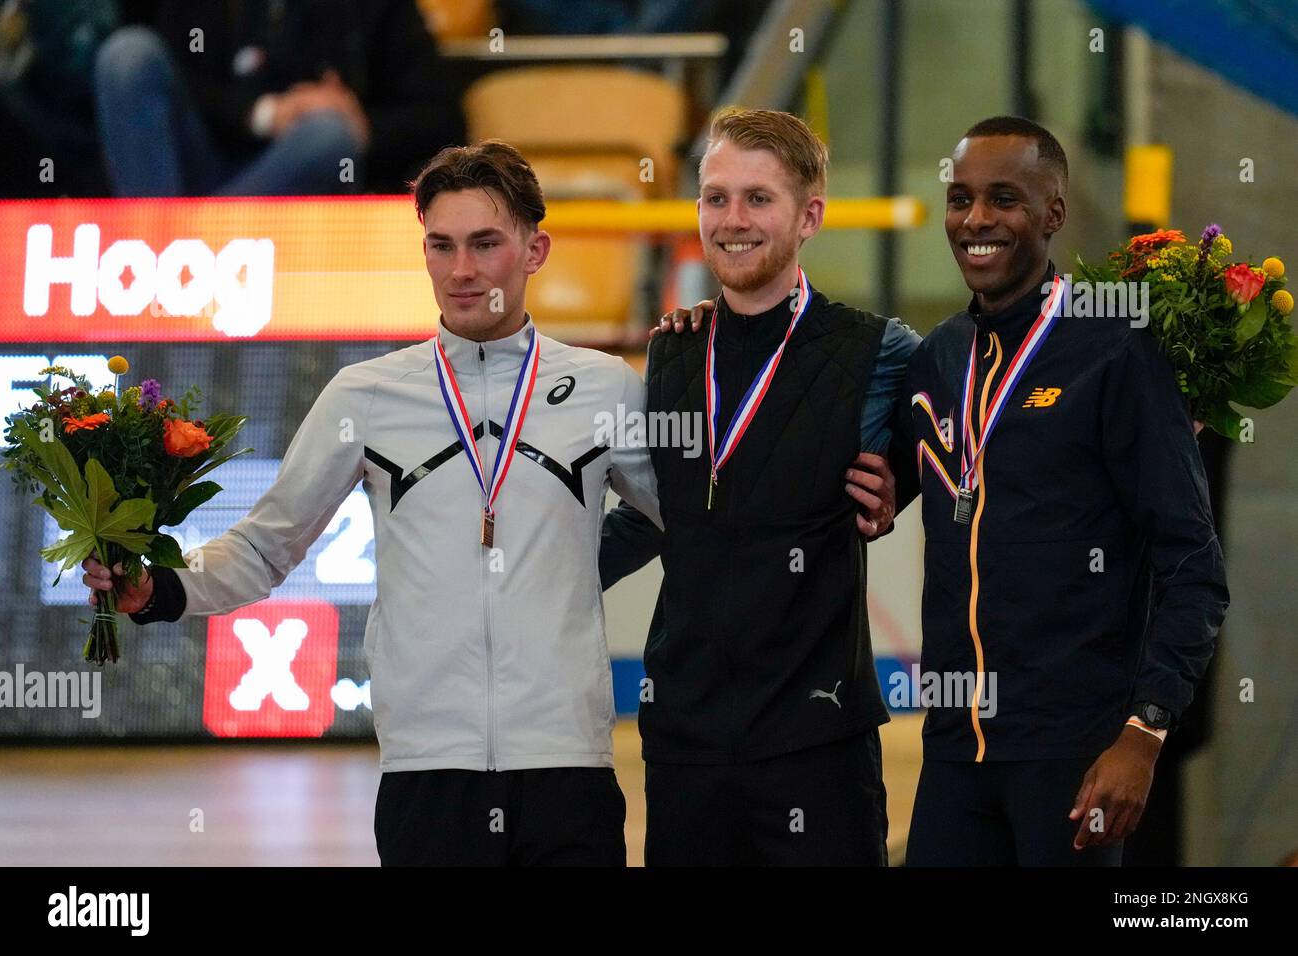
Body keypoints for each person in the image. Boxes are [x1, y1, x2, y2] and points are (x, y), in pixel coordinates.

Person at [82, 140, 662, 866]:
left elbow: (702, 516)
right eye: (441, 246)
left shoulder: (607, 389)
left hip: (568, 764)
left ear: (535, 248)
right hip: (425, 768)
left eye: (486, 243)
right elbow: (265, 546)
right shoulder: (365, 396)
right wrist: (160, 588)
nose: (461, 270)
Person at [892, 116, 1229, 866]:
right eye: (960, 198)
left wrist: (1142, 735)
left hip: (1074, 756)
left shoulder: (1115, 350)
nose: (976, 220)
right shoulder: (938, 359)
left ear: (1053, 213)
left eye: (1003, 199)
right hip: (954, 749)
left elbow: (1193, 568)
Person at [601, 107, 918, 866]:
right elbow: (657, 513)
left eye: (757, 199)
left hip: (818, 740)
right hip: (685, 738)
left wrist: (896, 488)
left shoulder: (880, 352)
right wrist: (528, 579)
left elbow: (966, 447)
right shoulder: (674, 351)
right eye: (716, 197)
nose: (732, 220)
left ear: (810, 215)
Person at [92, 0, 463, 196]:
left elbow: (441, 115)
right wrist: (267, 114)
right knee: (127, 53)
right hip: (197, 166)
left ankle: (191, 254)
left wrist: (362, 126)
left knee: (332, 134)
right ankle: (157, 245)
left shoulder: (373, 7)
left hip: (301, 179)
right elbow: (182, 81)